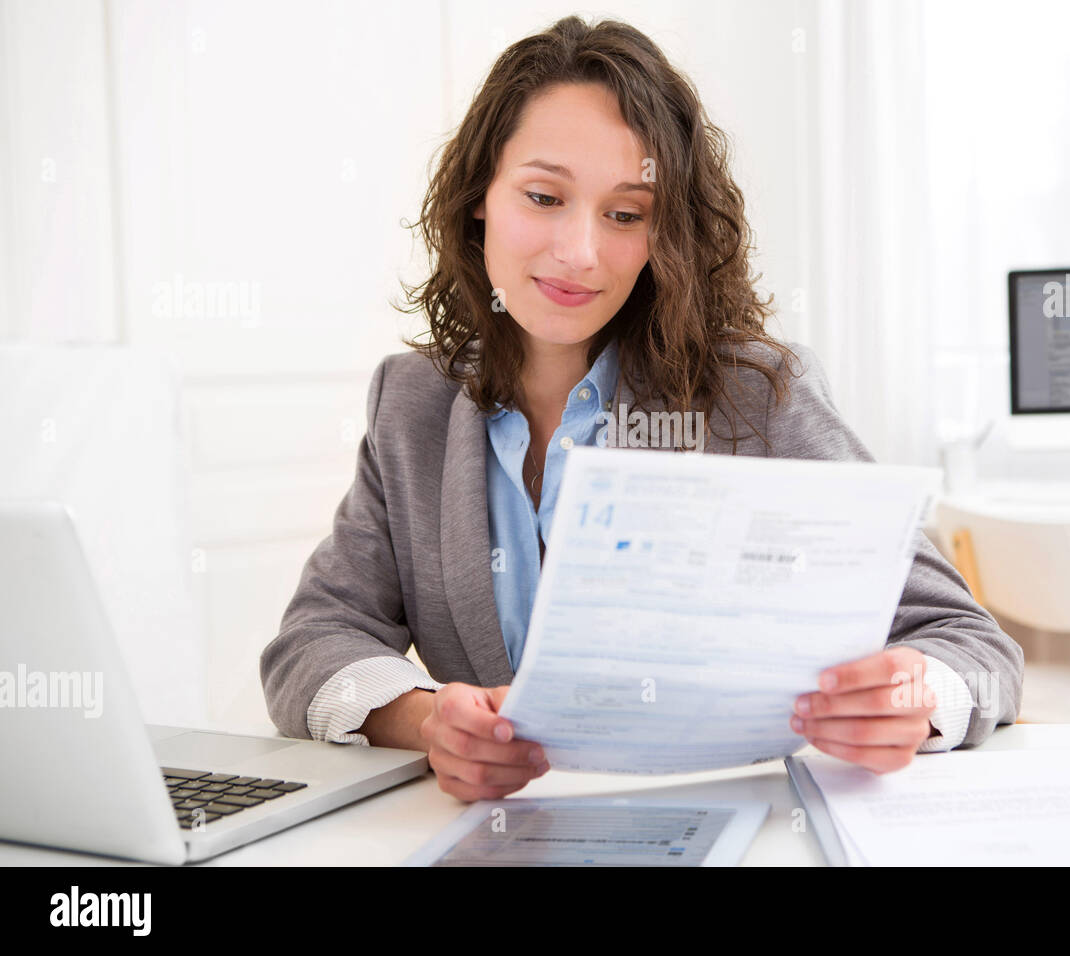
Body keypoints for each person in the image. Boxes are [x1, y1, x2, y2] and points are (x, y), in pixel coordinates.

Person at [260, 15, 1023, 803]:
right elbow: (311, 643)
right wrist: (429, 722)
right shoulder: (411, 404)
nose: (580, 251)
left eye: (625, 214)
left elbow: (973, 646)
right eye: (544, 196)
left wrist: (915, 694)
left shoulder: (755, 397)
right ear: (479, 197)